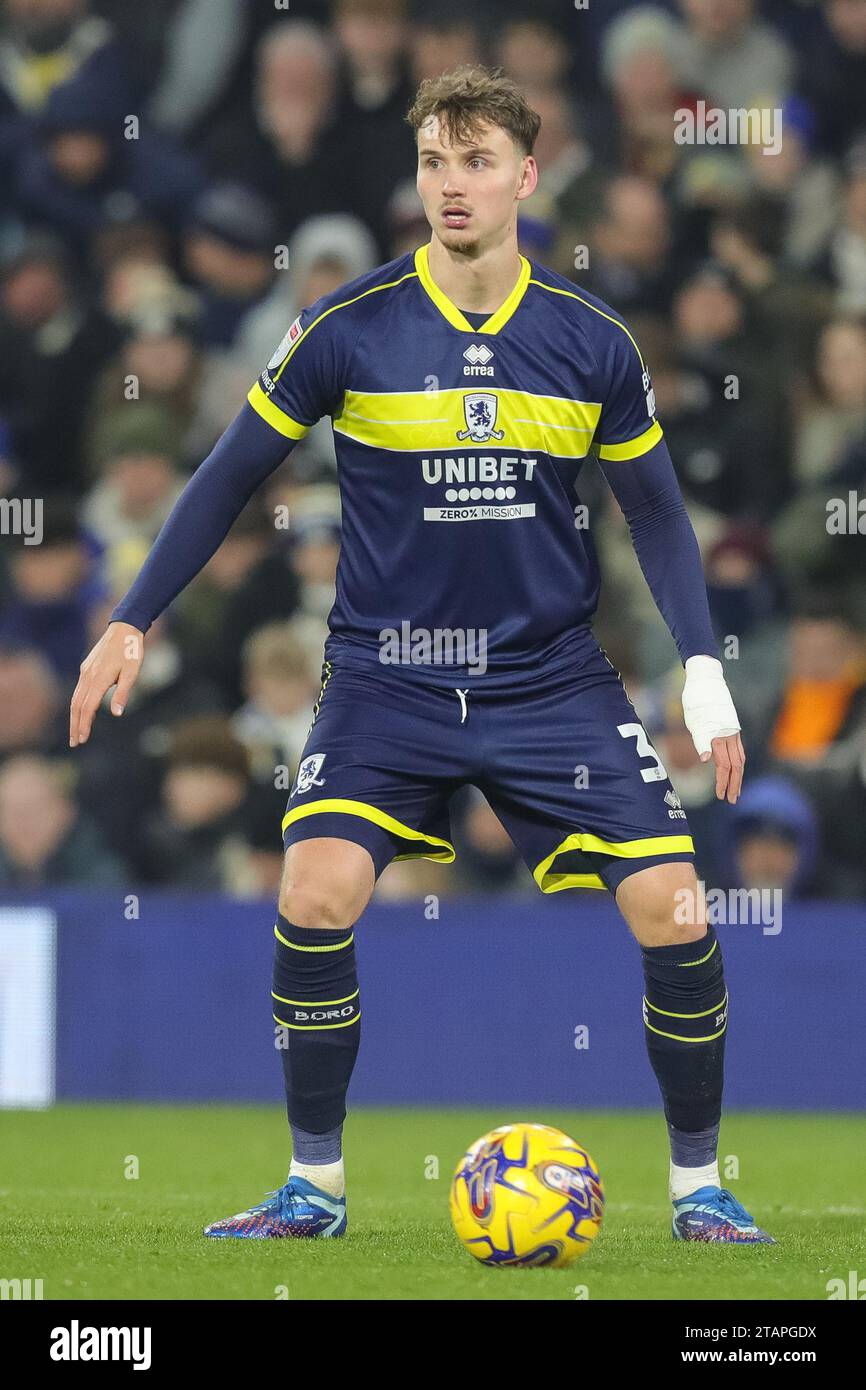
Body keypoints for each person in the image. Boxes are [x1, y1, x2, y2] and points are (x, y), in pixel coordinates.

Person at [69, 65, 770, 1245]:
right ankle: (316, 1188)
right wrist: (134, 615)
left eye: (476, 162)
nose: (452, 185)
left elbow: (652, 509)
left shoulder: (589, 339)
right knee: (313, 887)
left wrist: (699, 666)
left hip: (551, 676)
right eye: (435, 163)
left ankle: (698, 1188)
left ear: (525, 178)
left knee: (677, 907)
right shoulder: (350, 326)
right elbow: (232, 471)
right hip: (387, 677)